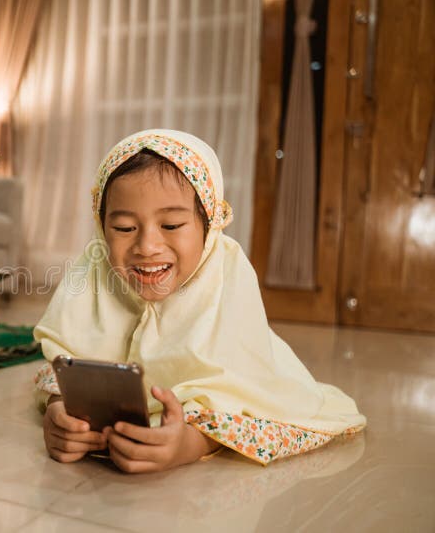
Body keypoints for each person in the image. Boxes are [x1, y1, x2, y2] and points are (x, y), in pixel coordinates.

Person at [33, 129, 366, 473]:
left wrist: (189, 443)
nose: (147, 246)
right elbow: (62, 358)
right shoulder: (95, 269)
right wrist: (60, 411)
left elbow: (239, 394)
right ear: (102, 228)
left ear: (209, 226)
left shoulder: (226, 278)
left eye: (172, 225)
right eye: (124, 228)